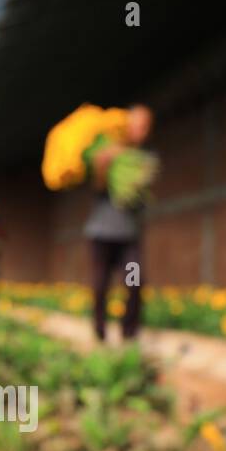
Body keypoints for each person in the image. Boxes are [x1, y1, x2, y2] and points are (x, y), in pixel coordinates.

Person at [84, 105, 152, 342]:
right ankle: (99, 332)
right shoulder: (105, 151)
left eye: (145, 127)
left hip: (128, 236)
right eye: (137, 124)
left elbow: (141, 194)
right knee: (101, 284)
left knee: (135, 281)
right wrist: (104, 164)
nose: (141, 131)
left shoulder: (144, 159)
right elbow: (98, 187)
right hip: (102, 233)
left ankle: (129, 333)